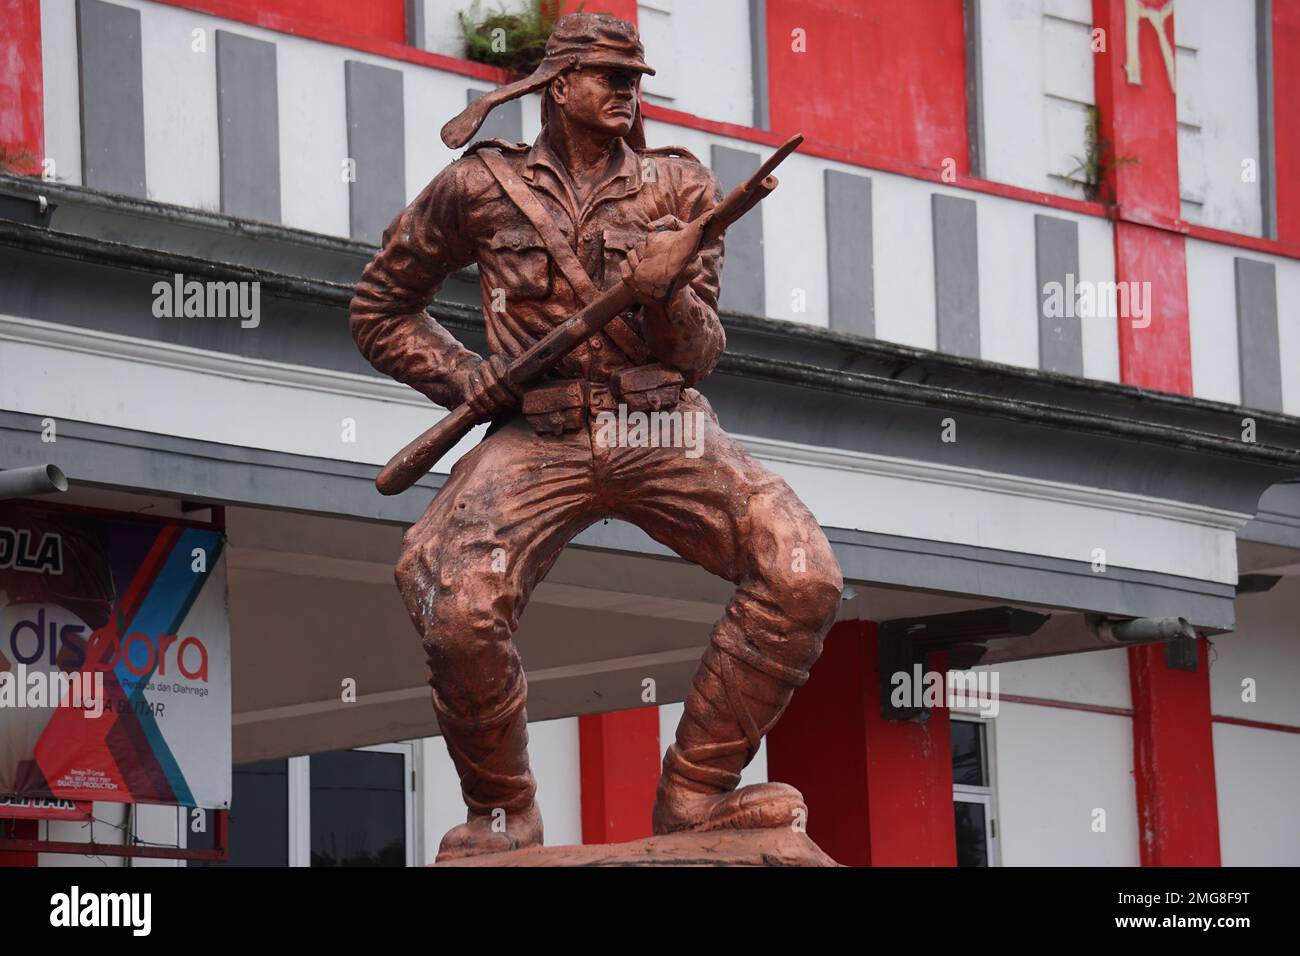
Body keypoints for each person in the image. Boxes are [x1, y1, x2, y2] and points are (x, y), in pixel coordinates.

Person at [351, 13, 842, 861]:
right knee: (455, 606)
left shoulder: (680, 189)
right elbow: (380, 308)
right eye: (610, 75)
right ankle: (503, 812)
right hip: (539, 432)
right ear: (557, 85)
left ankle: (696, 793)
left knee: (803, 576)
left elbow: (701, 354)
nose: (627, 92)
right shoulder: (477, 189)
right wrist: (468, 379)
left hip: (662, 423)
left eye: (635, 79)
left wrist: (664, 293)